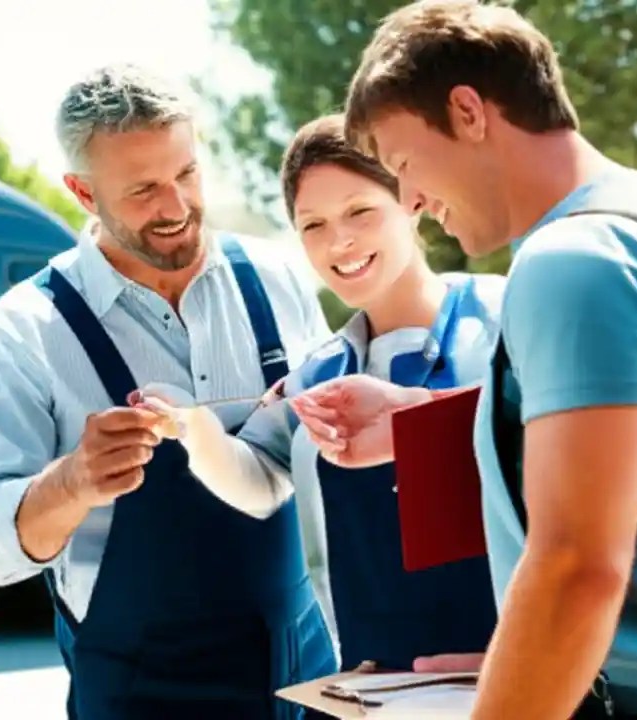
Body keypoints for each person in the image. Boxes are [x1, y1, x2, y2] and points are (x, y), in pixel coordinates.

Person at [288, 1, 637, 718]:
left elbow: (576, 570)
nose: (412, 197)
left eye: (404, 164)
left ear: (468, 111)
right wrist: (418, 422)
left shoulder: (570, 261)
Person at [0, 64, 337, 719]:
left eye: (186, 173)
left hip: (303, 677)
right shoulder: (24, 332)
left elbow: (326, 470)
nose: (177, 206)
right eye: (143, 189)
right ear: (81, 191)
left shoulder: (279, 280)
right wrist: (72, 481)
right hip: (143, 693)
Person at [134, 113, 504, 675]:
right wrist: (195, 432)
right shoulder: (318, 374)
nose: (340, 241)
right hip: (375, 687)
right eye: (313, 225)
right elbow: (260, 479)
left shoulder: (508, 319)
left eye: (359, 211)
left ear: (414, 201)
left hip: (517, 678)